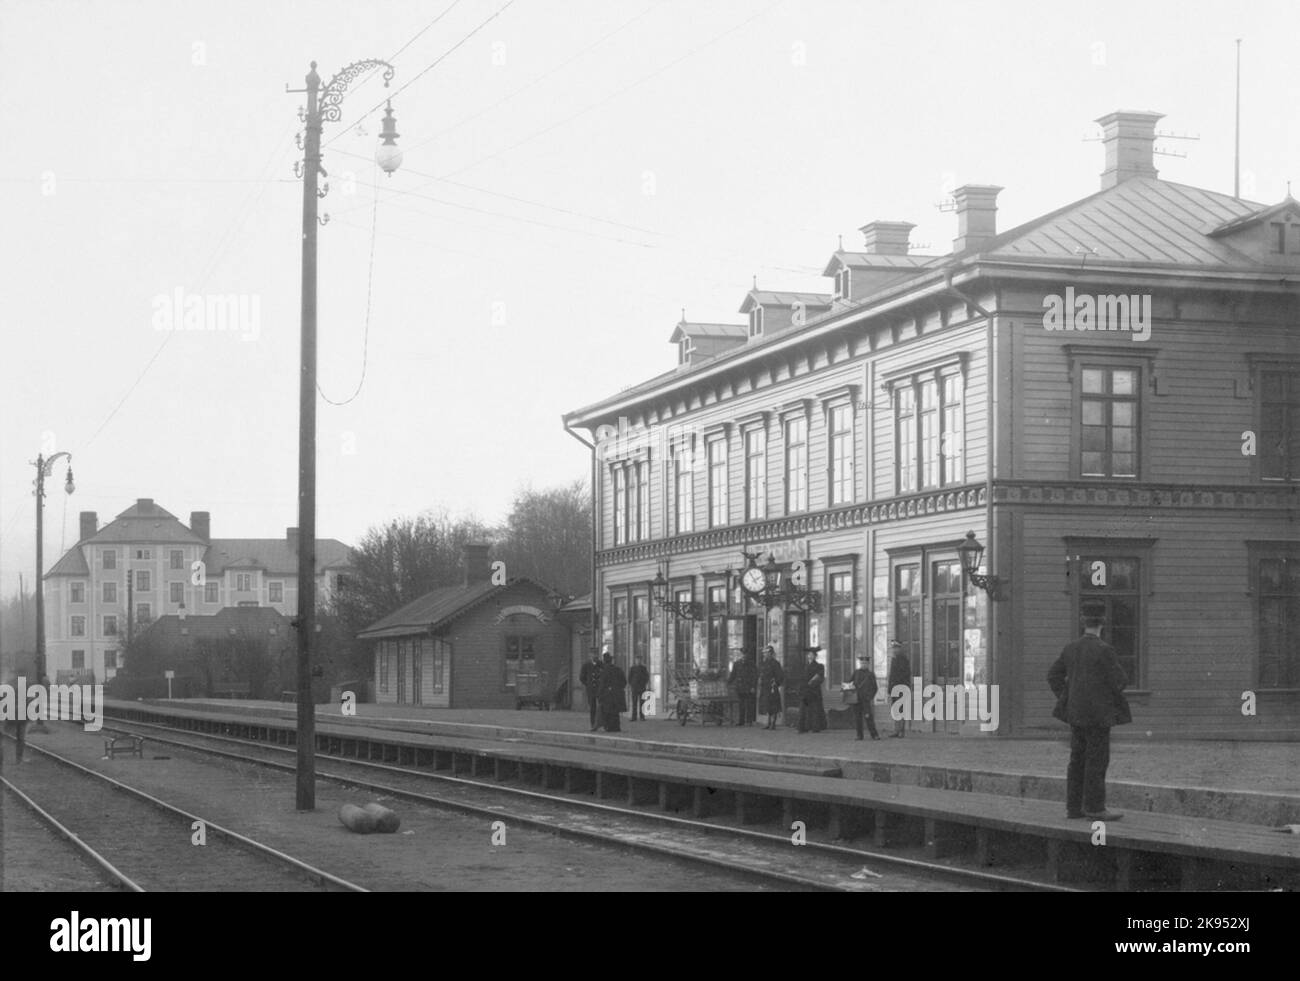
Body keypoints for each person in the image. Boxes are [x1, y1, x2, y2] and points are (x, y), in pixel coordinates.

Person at [1047, 615, 1131, 821]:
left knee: (1076, 760)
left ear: (1084, 624)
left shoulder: (1070, 648)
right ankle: (1095, 808)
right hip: (1099, 716)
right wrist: (1103, 697)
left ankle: (1073, 808)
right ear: (1102, 625)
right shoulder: (1105, 650)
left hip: (1075, 714)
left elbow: (1053, 675)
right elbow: (1120, 680)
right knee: (1097, 760)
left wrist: (1068, 697)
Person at [847, 653, 880, 741]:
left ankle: (874, 735)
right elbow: (849, 684)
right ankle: (859, 735)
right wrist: (850, 688)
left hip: (865, 700)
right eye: (862, 663)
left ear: (868, 664)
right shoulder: (856, 673)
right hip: (856, 699)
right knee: (857, 718)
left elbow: (875, 687)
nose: (863, 664)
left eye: (865, 663)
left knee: (868, 717)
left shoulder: (870, 674)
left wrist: (870, 697)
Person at [596, 651, 627, 733]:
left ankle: (609, 727)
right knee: (615, 712)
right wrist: (618, 689)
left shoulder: (604, 671)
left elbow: (602, 684)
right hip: (617, 694)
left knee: (607, 712)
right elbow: (624, 682)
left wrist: (599, 694)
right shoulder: (618, 669)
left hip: (607, 695)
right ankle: (616, 727)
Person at [797, 648, 826, 733]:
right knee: (803, 709)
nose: (810, 656)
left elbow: (820, 678)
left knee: (815, 709)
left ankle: (815, 727)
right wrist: (800, 688)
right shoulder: (804, 666)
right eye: (809, 654)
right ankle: (803, 727)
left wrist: (811, 683)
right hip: (805, 691)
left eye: (812, 655)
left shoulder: (819, 666)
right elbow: (801, 679)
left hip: (814, 691)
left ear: (815, 656)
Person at [887, 641, 911, 738]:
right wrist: (890, 689)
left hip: (901, 687)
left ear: (900, 649)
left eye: (896, 648)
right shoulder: (893, 659)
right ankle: (896, 730)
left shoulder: (903, 660)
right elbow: (891, 676)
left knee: (901, 709)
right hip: (894, 688)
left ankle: (901, 730)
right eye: (893, 648)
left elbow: (905, 675)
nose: (894, 650)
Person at [728, 652, 758, 726]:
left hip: (748, 686)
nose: (744, 656)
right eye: (742, 655)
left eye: (745, 655)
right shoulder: (737, 664)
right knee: (741, 704)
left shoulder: (751, 664)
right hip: (740, 687)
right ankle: (741, 721)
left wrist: (753, 686)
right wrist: (728, 682)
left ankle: (749, 720)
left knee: (749, 704)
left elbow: (754, 675)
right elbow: (733, 674)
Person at [760, 646, 785, 729]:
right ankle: (768, 722)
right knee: (767, 705)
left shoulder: (775, 663)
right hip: (765, 687)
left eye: (766, 653)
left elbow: (780, 676)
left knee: (773, 705)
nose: (765, 654)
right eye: (764, 653)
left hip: (772, 687)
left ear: (770, 653)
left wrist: (776, 682)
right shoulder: (764, 663)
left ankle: (773, 723)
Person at [580, 649, 603, 731]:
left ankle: (601, 723)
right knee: (592, 707)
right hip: (591, 690)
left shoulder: (601, 664)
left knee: (601, 706)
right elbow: (582, 677)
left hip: (600, 689)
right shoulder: (586, 665)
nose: (594, 656)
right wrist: (588, 684)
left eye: (596, 654)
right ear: (590, 655)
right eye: (593, 654)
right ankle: (593, 724)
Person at [627, 656, 650, 722]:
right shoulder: (632, 668)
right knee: (634, 702)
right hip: (634, 688)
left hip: (642, 687)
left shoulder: (643, 668)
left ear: (641, 661)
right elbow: (629, 677)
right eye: (637, 660)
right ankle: (634, 717)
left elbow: (647, 676)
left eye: (639, 660)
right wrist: (631, 685)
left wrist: (644, 683)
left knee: (642, 703)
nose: (638, 661)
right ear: (635, 661)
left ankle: (642, 716)